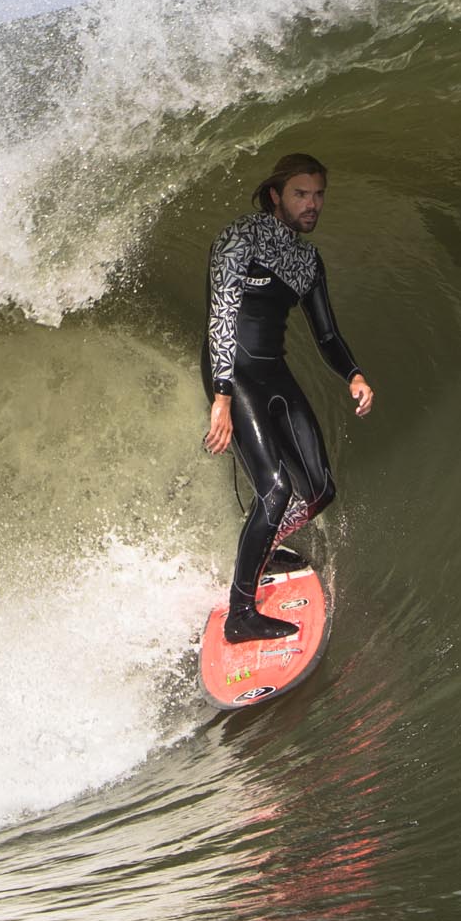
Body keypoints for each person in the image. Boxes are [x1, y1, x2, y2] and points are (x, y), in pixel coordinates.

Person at [203, 152, 375, 643]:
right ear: (277, 194)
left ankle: (262, 545)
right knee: (276, 488)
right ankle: (240, 615)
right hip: (232, 373)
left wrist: (354, 374)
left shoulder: (307, 260)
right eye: (301, 193)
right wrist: (221, 396)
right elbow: (222, 311)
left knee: (318, 489)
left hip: (273, 372)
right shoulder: (242, 237)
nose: (312, 204)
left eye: (319, 194)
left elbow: (326, 335)